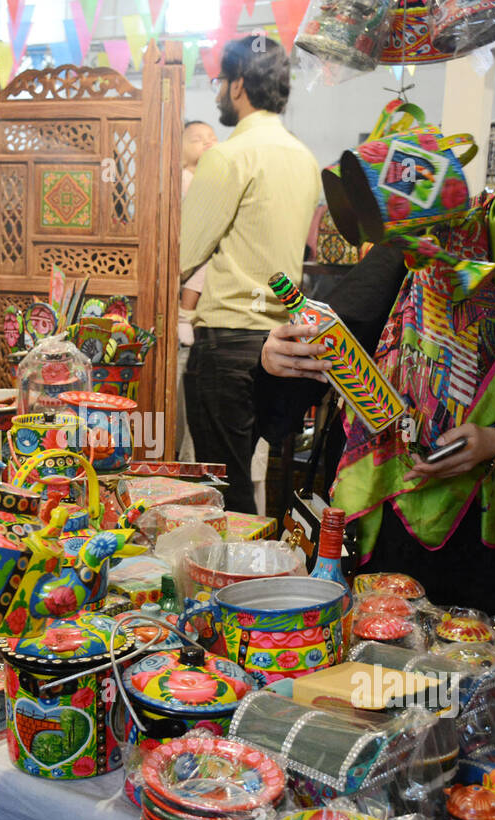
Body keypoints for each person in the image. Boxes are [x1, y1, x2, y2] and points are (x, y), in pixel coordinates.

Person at [259, 84, 495, 615]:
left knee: (460, 685)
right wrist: (279, 359)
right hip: (375, 517)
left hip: (479, 542)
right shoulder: (430, 238)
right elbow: (338, 335)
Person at [179, 35, 321, 514]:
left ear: (238, 85)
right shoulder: (303, 157)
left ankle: (235, 584)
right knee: (247, 478)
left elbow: (182, 252)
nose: (219, 92)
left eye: (221, 82)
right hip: (278, 342)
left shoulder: (228, 156)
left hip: (226, 341)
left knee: (225, 489)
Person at [177, 119, 219, 460]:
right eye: (196, 139)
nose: (206, 143)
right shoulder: (184, 179)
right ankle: (185, 311)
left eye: (211, 138)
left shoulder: (210, 180)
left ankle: (186, 312)